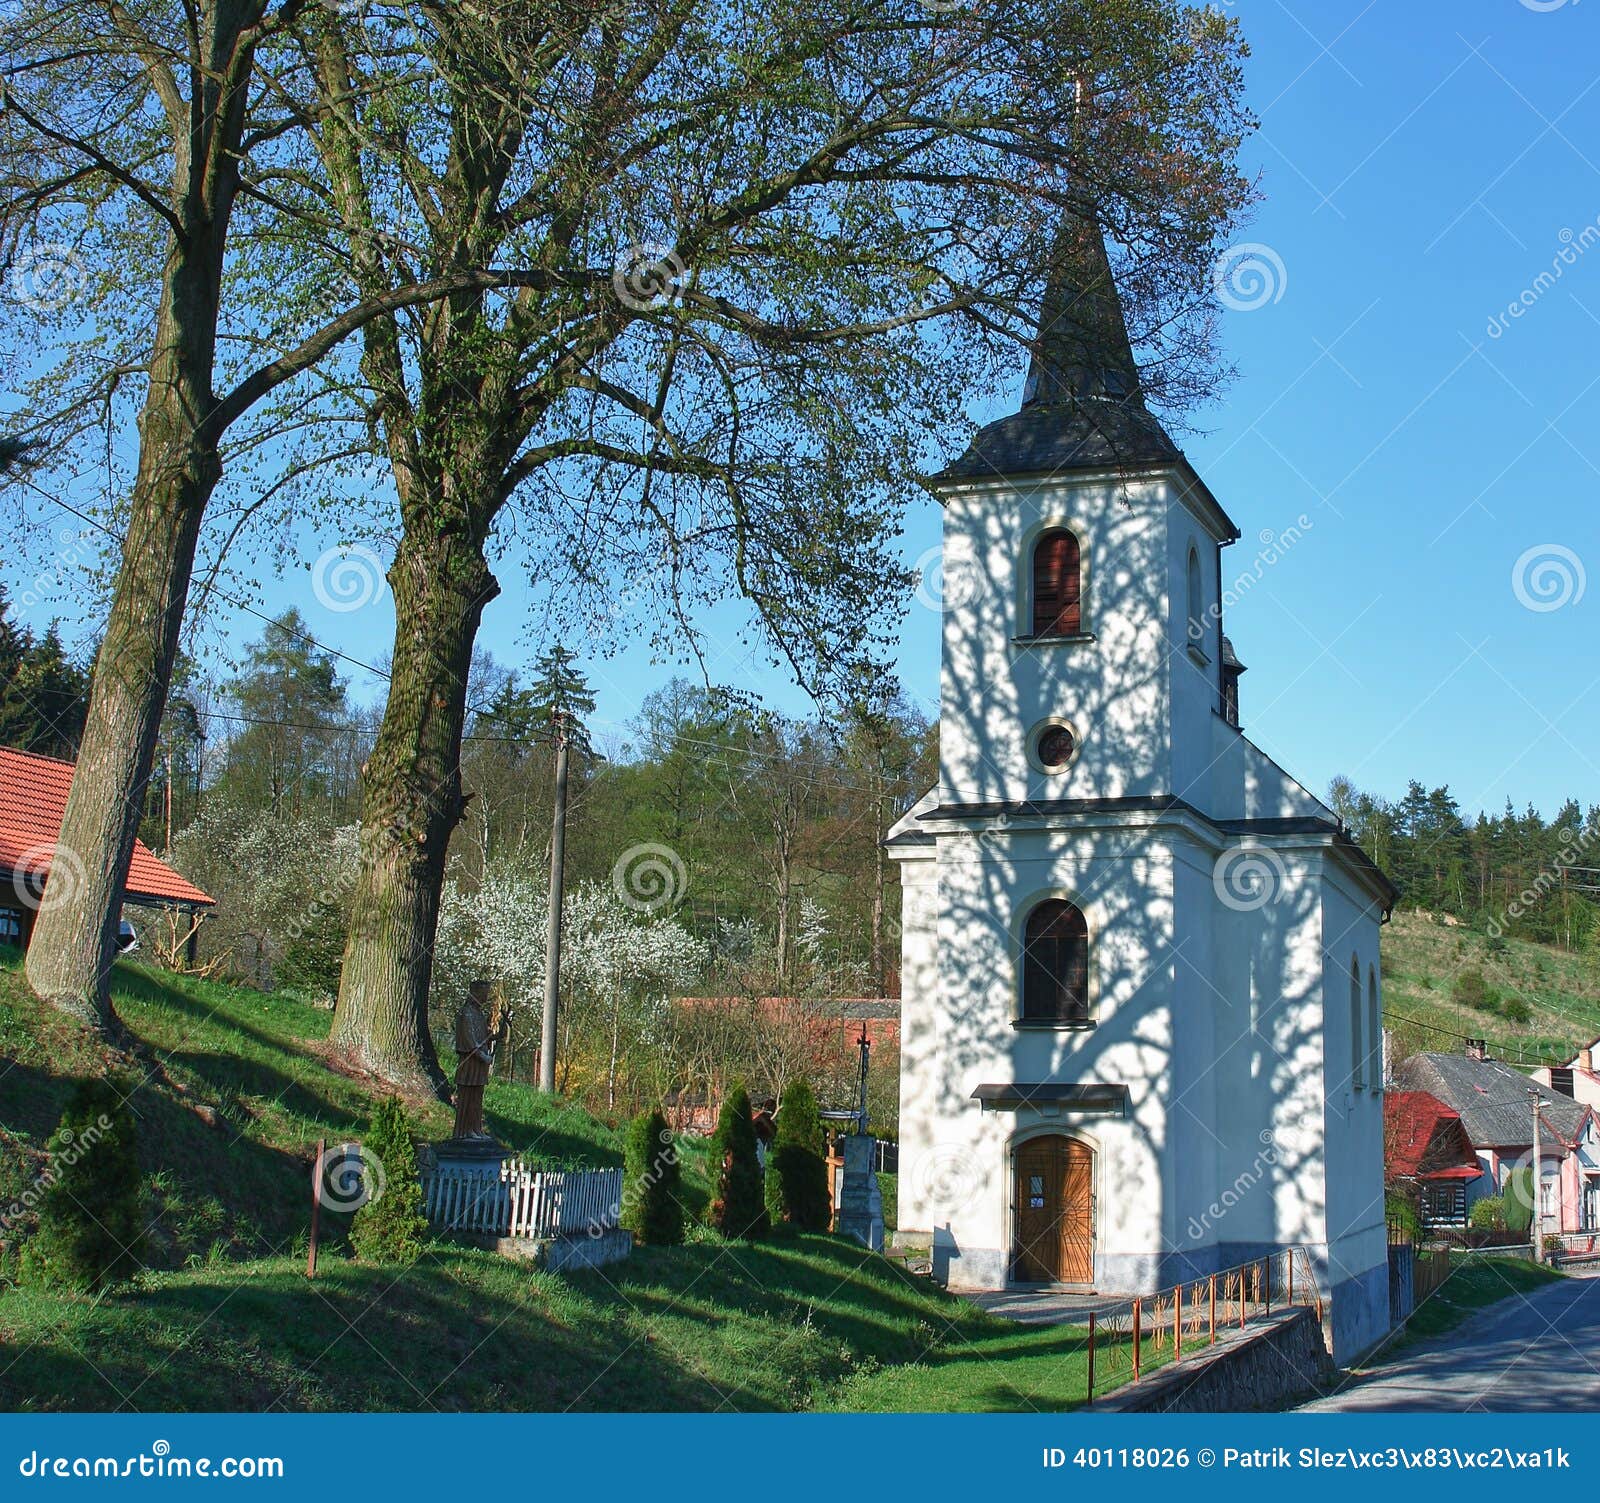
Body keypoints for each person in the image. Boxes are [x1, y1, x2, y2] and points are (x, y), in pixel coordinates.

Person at [450, 980, 496, 1139]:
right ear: (475, 993)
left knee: (477, 1097)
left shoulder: (478, 1014)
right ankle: (464, 1130)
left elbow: (482, 1037)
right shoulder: (467, 1013)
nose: (486, 997)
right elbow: (470, 1040)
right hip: (470, 1062)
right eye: (484, 994)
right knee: (467, 1097)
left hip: (479, 1064)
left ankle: (476, 1128)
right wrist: (483, 1056)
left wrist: (493, 1036)